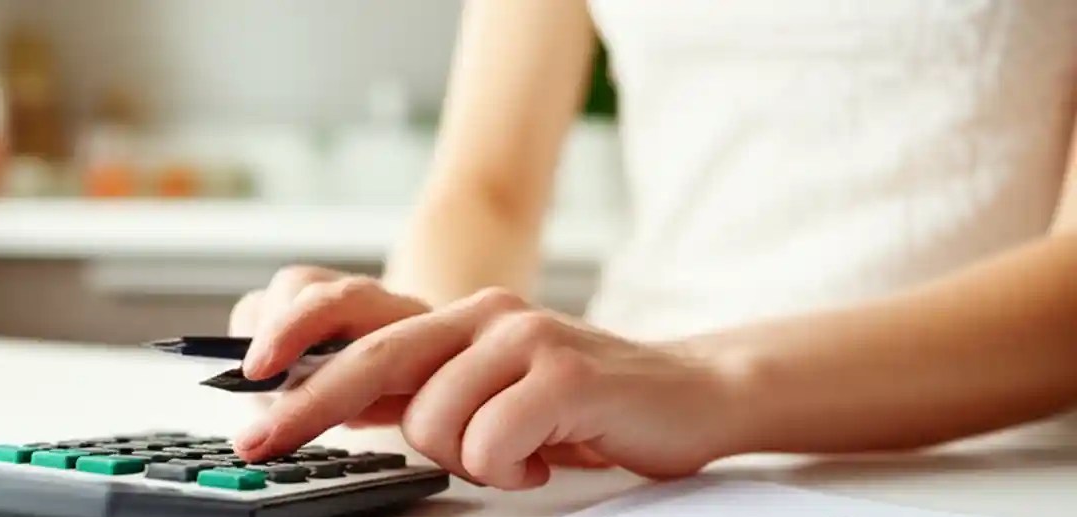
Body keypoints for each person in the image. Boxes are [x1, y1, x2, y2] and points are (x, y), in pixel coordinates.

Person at [230, 0, 1077, 490]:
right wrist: (421, 348)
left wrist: (708, 380)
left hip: (977, 468)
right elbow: (488, 189)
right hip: (616, 448)